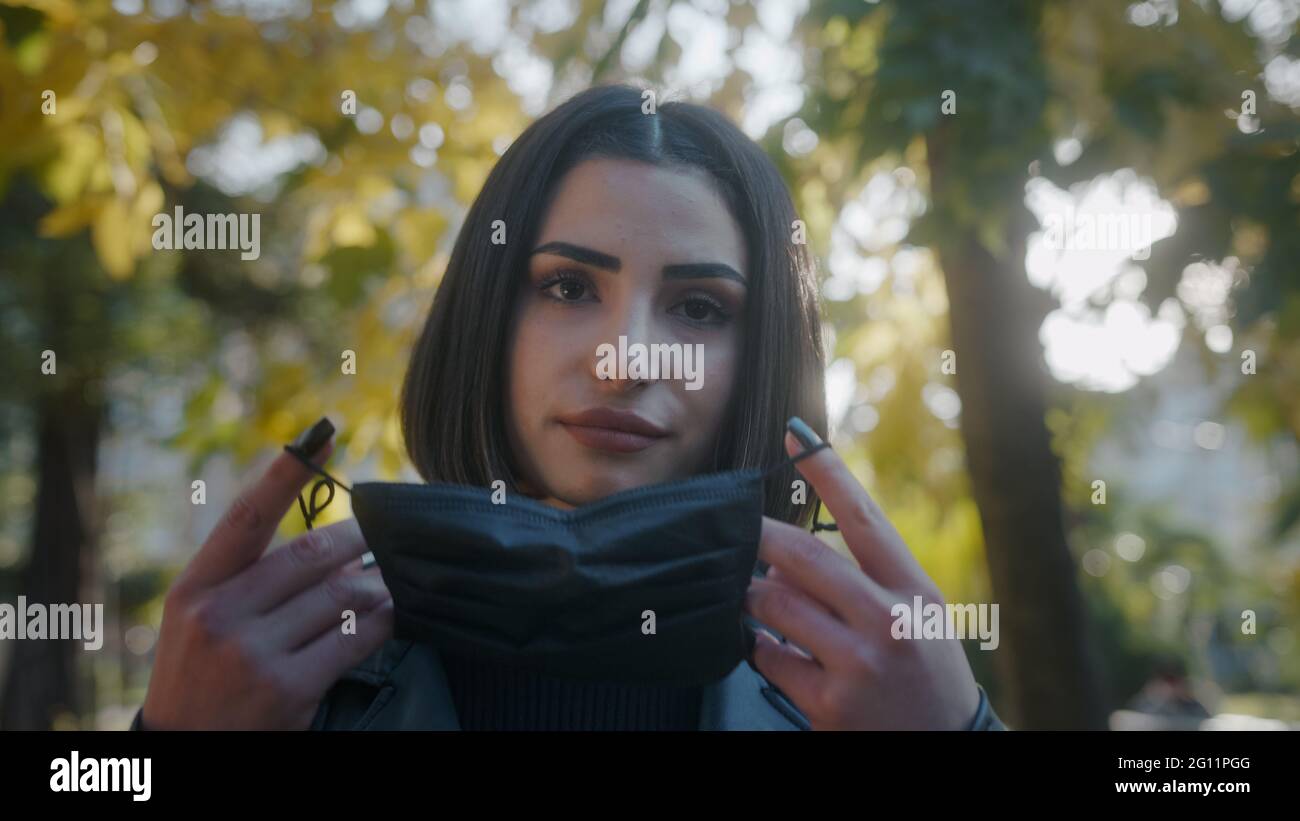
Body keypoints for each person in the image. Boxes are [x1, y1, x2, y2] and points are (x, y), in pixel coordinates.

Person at [132, 84, 1004, 731]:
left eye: (700, 307)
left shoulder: (876, 700)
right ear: (484, 315)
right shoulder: (282, 684)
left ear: (766, 357)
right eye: (565, 285)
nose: (624, 358)